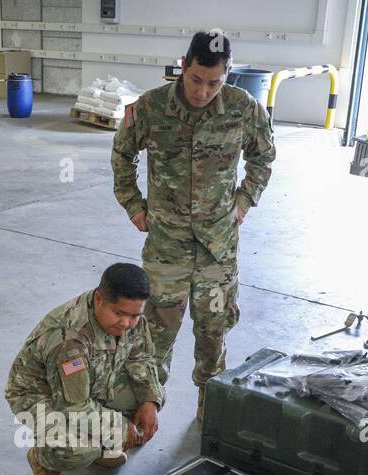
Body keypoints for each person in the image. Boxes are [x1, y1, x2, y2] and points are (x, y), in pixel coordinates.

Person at [111, 29, 275, 418]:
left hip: (218, 247)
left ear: (227, 74)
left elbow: (263, 157)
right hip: (167, 246)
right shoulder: (150, 108)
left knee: (213, 332)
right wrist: (134, 205)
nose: (203, 91)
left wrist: (243, 201)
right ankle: (144, 407)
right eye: (196, 80)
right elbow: (122, 156)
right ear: (183, 67)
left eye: (214, 83)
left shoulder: (243, 108)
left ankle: (209, 405)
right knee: (153, 334)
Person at [5, 263, 164, 475]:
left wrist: (151, 400)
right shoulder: (68, 337)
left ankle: (103, 444)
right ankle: (44, 458)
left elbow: (141, 358)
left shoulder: (129, 317)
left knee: (145, 400)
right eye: (119, 313)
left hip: (88, 383)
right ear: (99, 299)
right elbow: (73, 406)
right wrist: (119, 427)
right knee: (78, 450)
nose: (126, 323)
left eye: (134, 315)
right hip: (41, 394)